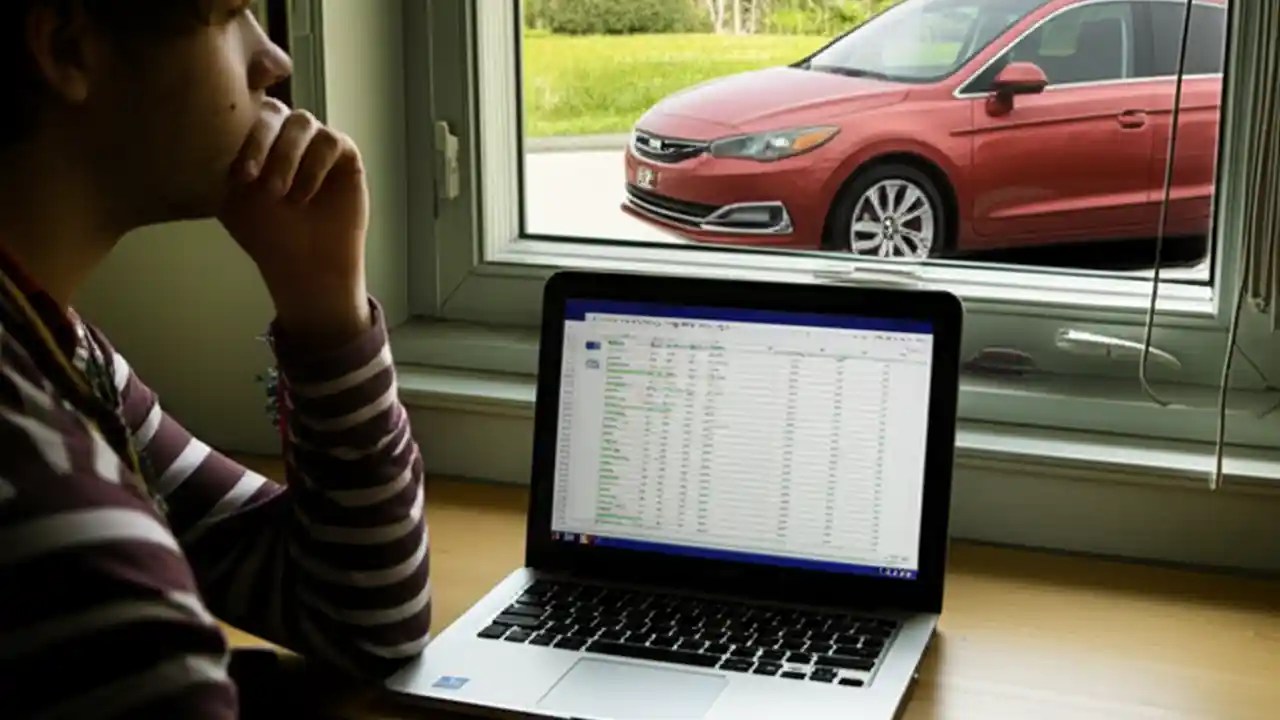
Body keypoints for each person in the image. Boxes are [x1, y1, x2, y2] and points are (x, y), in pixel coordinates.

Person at [0, 1, 430, 717]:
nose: (274, 61)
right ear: (69, 47)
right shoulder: (69, 547)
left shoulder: (60, 354)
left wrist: (326, 307)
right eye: (231, 14)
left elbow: (364, 617)